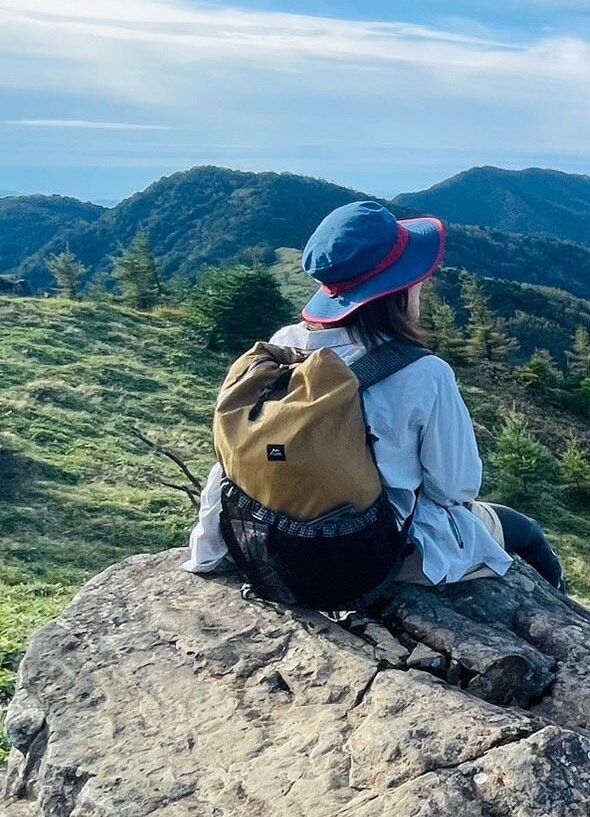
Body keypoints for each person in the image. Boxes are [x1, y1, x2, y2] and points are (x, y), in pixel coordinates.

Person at [183, 200, 564, 590]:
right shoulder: (425, 374)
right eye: (417, 281)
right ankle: (561, 607)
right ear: (397, 292)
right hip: (368, 556)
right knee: (525, 532)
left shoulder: (281, 349)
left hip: (268, 543)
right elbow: (455, 488)